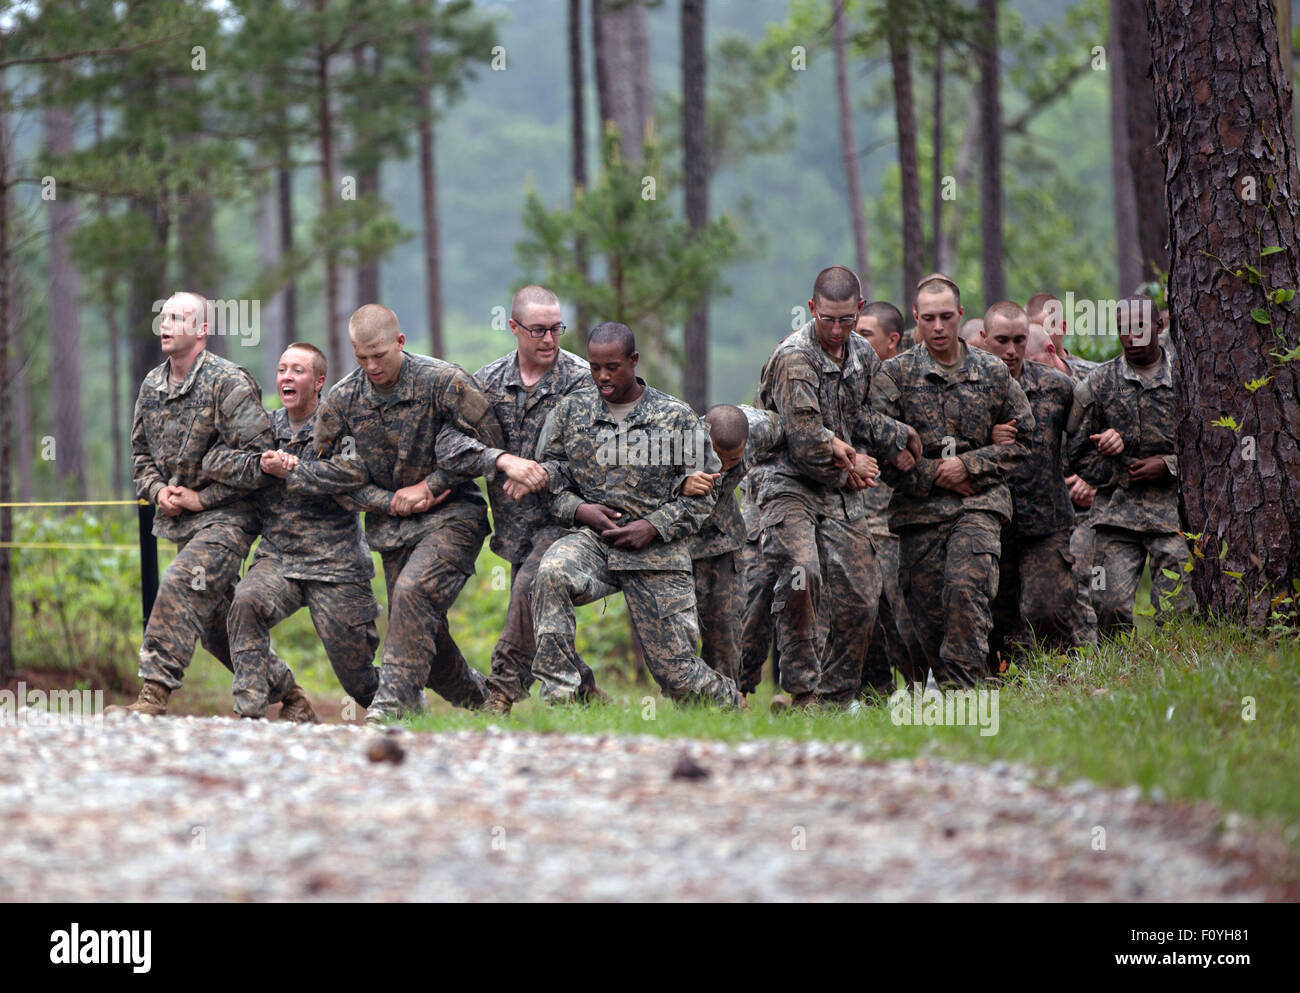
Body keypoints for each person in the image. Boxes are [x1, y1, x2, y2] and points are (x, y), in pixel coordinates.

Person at [284, 304, 503, 721]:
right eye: (361, 357)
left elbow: (490, 444)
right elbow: (334, 478)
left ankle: (390, 706)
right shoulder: (343, 401)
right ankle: (486, 702)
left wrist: (433, 485)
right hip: (391, 529)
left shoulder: (443, 382)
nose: (371, 366)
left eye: (379, 355)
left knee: (411, 593)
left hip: (452, 516)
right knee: (427, 636)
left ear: (400, 342)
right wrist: (387, 501)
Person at [114, 292, 314, 719]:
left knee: (182, 581)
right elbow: (140, 455)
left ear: (202, 331)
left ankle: (153, 693)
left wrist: (203, 497)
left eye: (179, 318)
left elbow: (260, 463)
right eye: (164, 317)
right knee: (217, 628)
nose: (166, 325)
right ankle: (292, 695)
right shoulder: (152, 385)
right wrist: (157, 491)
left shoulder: (228, 383)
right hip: (182, 522)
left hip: (230, 518)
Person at [531, 322, 742, 708]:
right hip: (596, 541)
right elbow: (548, 480)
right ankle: (562, 700)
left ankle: (730, 700)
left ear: (633, 361)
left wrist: (653, 525)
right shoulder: (570, 413)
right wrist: (580, 509)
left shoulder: (676, 417)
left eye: (612, 367)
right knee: (550, 574)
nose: (602, 376)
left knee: (680, 679)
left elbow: (703, 497)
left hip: (657, 552)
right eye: (595, 367)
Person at [755, 266, 921, 709]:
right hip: (789, 484)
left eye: (845, 319)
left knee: (863, 598)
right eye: (826, 318)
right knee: (801, 572)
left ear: (858, 311)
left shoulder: (862, 354)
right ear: (812, 309)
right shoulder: (796, 358)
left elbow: (859, 415)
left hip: (838, 491)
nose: (835, 328)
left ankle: (834, 698)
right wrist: (851, 469)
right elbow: (806, 440)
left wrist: (896, 434)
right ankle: (802, 691)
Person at [444, 285, 606, 716]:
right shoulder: (488, 382)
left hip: (569, 520)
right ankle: (588, 693)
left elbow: (601, 462)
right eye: (538, 330)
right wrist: (499, 460)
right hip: (514, 527)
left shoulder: (583, 382)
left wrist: (541, 475)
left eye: (556, 329)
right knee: (540, 620)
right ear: (513, 328)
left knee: (528, 591)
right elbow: (448, 442)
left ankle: (498, 695)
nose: (549, 340)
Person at [871, 274, 1034, 686]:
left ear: (961, 315)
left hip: (978, 506)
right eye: (929, 318)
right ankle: (963, 685)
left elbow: (1026, 439)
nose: (939, 327)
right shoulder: (895, 377)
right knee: (927, 616)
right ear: (916, 318)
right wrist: (937, 474)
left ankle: (964, 691)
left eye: (947, 316)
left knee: (966, 590)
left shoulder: (993, 373)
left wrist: (971, 466)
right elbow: (880, 449)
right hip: (919, 512)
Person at [223, 343, 382, 719]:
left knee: (358, 678)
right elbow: (219, 458)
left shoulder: (338, 423)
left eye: (297, 370)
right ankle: (250, 712)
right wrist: (259, 463)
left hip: (337, 565)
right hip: (280, 558)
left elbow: (358, 470)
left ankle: (406, 713)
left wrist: (295, 472)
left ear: (319, 381)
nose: (286, 377)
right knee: (245, 603)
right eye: (282, 370)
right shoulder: (264, 426)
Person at [1066, 297, 1189, 635]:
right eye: (1123, 330)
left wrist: (1169, 465)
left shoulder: (1187, 378)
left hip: (1175, 514)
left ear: (1158, 327)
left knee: (1178, 607)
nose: (1132, 337)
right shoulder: (1098, 383)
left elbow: (1212, 447)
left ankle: (1177, 671)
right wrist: (1110, 459)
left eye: (1140, 328)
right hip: (1116, 514)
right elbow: (1075, 454)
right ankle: (1120, 674)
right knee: (1108, 605)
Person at [981, 302, 1092, 655]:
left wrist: (1092, 476)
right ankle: (1010, 687)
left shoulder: (1057, 387)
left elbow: (1088, 436)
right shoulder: (969, 389)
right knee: (999, 621)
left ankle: (1061, 675)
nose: (1011, 350)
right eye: (1001, 340)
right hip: (991, 521)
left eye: (1018, 340)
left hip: (1047, 522)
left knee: (1047, 610)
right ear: (984, 339)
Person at [680, 404, 782, 685]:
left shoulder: (762, 429)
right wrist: (679, 483)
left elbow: (800, 433)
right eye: (716, 458)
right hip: (676, 547)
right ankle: (687, 698)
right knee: (679, 632)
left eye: (733, 460)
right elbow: (636, 482)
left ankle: (726, 698)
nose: (724, 467)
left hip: (723, 540)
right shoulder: (675, 439)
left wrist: (832, 444)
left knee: (726, 626)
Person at [854, 299, 925, 688]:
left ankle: (922, 685)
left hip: (897, 520)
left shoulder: (909, 382)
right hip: (854, 519)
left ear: (892, 340)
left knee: (905, 613)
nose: (856, 341)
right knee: (860, 612)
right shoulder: (846, 379)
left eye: (865, 334)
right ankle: (872, 694)